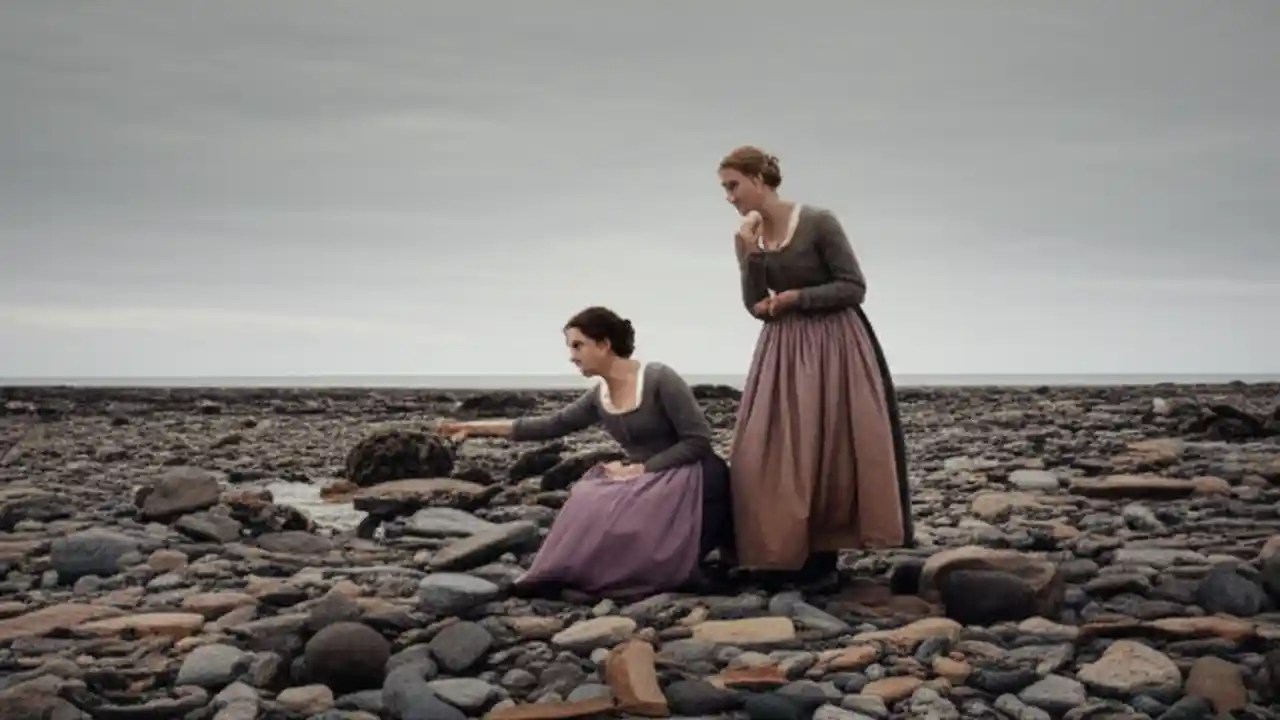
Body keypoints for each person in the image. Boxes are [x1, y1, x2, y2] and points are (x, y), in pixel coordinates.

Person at [435, 306, 734, 600]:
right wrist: (472, 427)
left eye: (578, 345)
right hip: (647, 474)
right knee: (587, 493)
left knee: (614, 501)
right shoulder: (598, 396)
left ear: (604, 344)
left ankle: (659, 569)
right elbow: (550, 425)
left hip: (695, 473)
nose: (572, 356)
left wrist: (642, 469)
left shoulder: (658, 378)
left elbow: (698, 441)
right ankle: (560, 573)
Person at [717, 145, 914, 584]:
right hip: (783, 349)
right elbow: (755, 305)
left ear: (759, 179)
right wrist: (749, 256)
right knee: (767, 450)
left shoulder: (818, 222)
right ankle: (780, 546)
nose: (729, 196)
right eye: (725, 188)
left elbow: (853, 286)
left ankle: (823, 552)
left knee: (830, 445)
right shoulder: (750, 235)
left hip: (835, 345)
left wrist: (796, 298)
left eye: (733, 185)